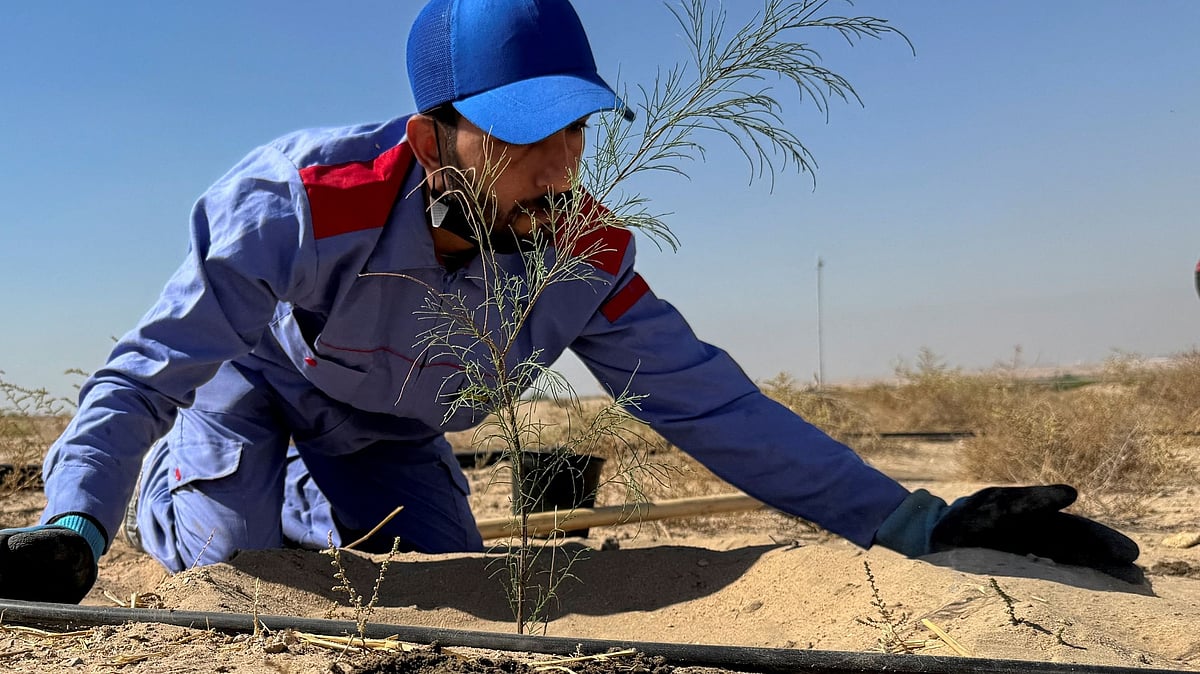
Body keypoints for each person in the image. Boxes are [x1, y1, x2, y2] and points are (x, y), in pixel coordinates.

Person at [0, 0, 1140, 605]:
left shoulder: (580, 251)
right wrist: (75, 521)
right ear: (431, 140)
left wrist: (913, 523)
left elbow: (715, 406)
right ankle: (184, 503)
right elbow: (146, 371)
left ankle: (319, 497)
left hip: (393, 435)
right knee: (236, 579)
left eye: (575, 131)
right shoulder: (300, 204)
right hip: (255, 392)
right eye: (520, 135)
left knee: (446, 588)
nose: (557, 167)